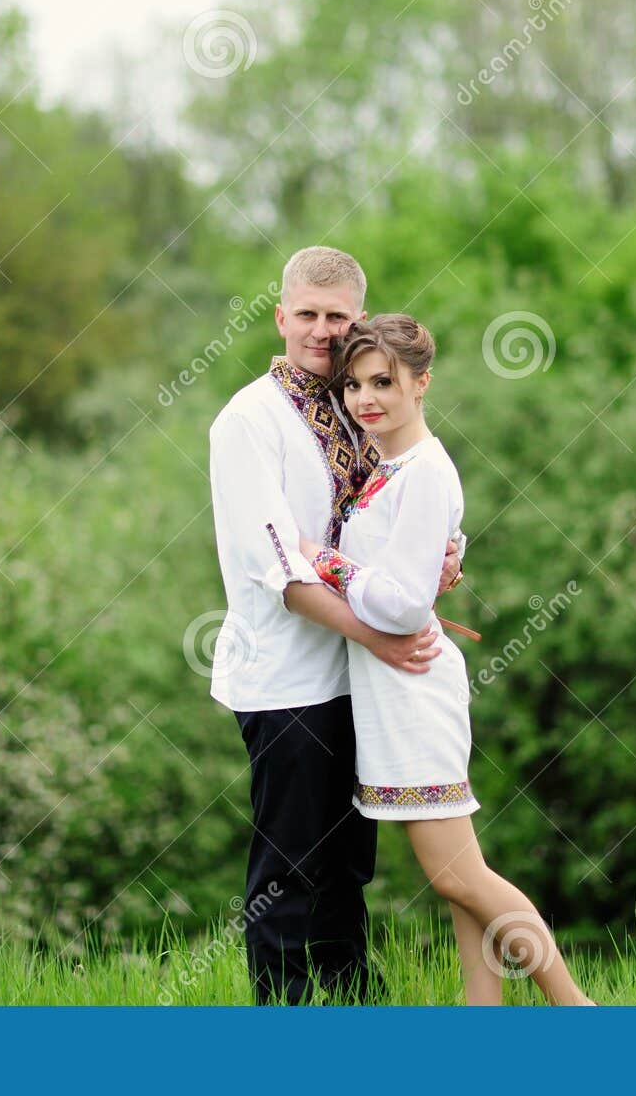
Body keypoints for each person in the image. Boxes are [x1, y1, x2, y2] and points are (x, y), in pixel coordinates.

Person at [300, 314, 593, 1006]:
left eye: (384, 382)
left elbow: (401, 605)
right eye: (354, 385)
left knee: (458, 876)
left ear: (421, 383)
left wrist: (331, 565)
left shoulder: (423, 470)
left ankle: (577, 1007)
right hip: (393, 688)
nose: (366, 399)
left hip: (413, 683)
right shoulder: (390, 465)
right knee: (462, 875)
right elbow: (422, 558)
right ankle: (480, 1019)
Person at [207, 247, 462, 1004]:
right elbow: (279, 569)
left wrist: (446, 557)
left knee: (350, 864)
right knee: (288, 867)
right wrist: (382, 633)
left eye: (338, 317)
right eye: (308, 315)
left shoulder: (361, 403)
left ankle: (355, 1007)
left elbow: (407, 504)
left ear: (357, 319)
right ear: (281, 316)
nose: (322, 330)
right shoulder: (248, 420)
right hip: (286, 676)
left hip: (359, 677)